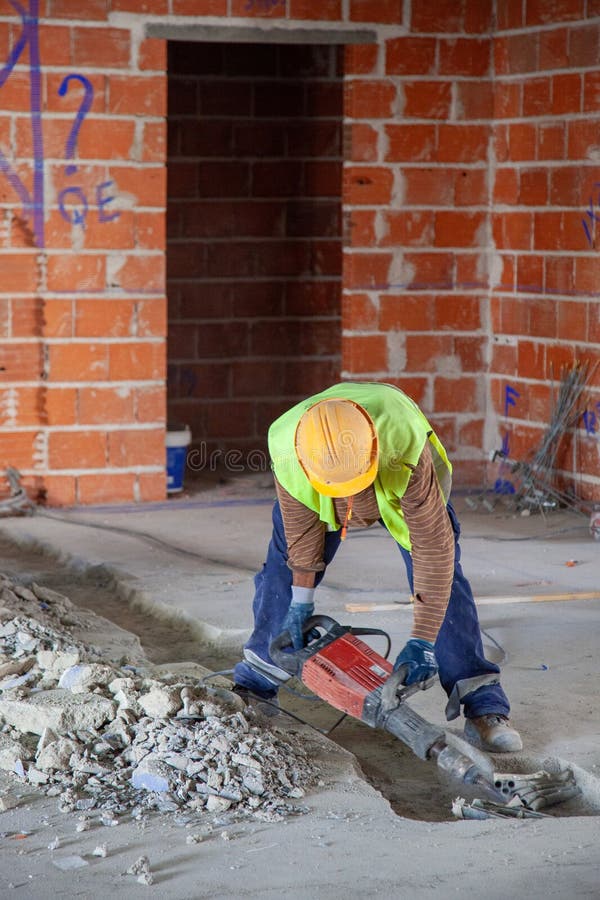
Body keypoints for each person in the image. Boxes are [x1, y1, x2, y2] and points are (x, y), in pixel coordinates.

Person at [233, 382, 522, 753]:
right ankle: (257, 682)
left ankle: (482, 702)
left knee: (444, 578)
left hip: (397, 479)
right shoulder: (288, 446)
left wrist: (422, 642)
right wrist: (300, 601)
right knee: (281, 574)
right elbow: (301, 538)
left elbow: (432, 555)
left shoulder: (403, 444)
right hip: (319, 483)